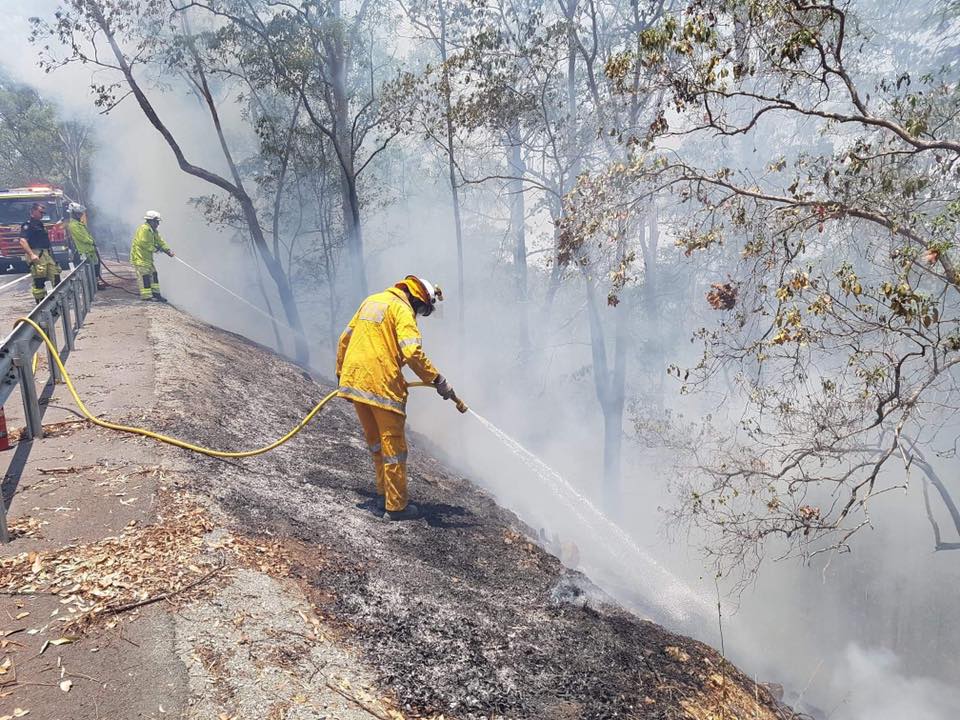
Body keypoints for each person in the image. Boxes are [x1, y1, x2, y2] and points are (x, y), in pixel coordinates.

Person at [336, 275, 457, 521]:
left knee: (377, 445)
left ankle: (383, 494)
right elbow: (412, 352)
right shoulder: (402, 310)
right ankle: (396, 507)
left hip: (357, 382)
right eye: (423, 310)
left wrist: (342, 373)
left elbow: (345, 338)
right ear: (417, 300)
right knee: (394, 448)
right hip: (383, 387)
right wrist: (437, 380)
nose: (421, 315)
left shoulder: (372, 301)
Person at [19, 202, 61, 304]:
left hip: (46, 253)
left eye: (43, 212)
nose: (42, 214)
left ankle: (54, 302)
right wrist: (31, 254)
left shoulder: (40, 224)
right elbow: (22, 241)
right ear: (33, 211)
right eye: (40, 212)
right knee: (39, 281)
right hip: (36, 254)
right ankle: (40, 305)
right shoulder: (27, 225)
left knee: (55, 276)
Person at [131, 210, 175, 302]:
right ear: (151, 221)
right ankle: (146, 296)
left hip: (147, 259)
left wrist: (168, 250)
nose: (158, 224)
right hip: (140, 258)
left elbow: (160, 241)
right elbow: (144, 243)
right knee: (144, 276)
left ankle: (156, 294)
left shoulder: (153, 230)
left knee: (154, 274)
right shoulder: (144, 229)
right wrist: (156, 249)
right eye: (157, 222)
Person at [66, 203, 107, 290]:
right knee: (90, 270)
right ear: (73, 213)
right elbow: (82, 238)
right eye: (78, 213)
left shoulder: (79, 223)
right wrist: (92, 242)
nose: (80, 215)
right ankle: (92, 286)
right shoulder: (74, 225)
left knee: (96, 267)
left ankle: (95, 284)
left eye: (81, 213)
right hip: (85, 252)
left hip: (90, 250)